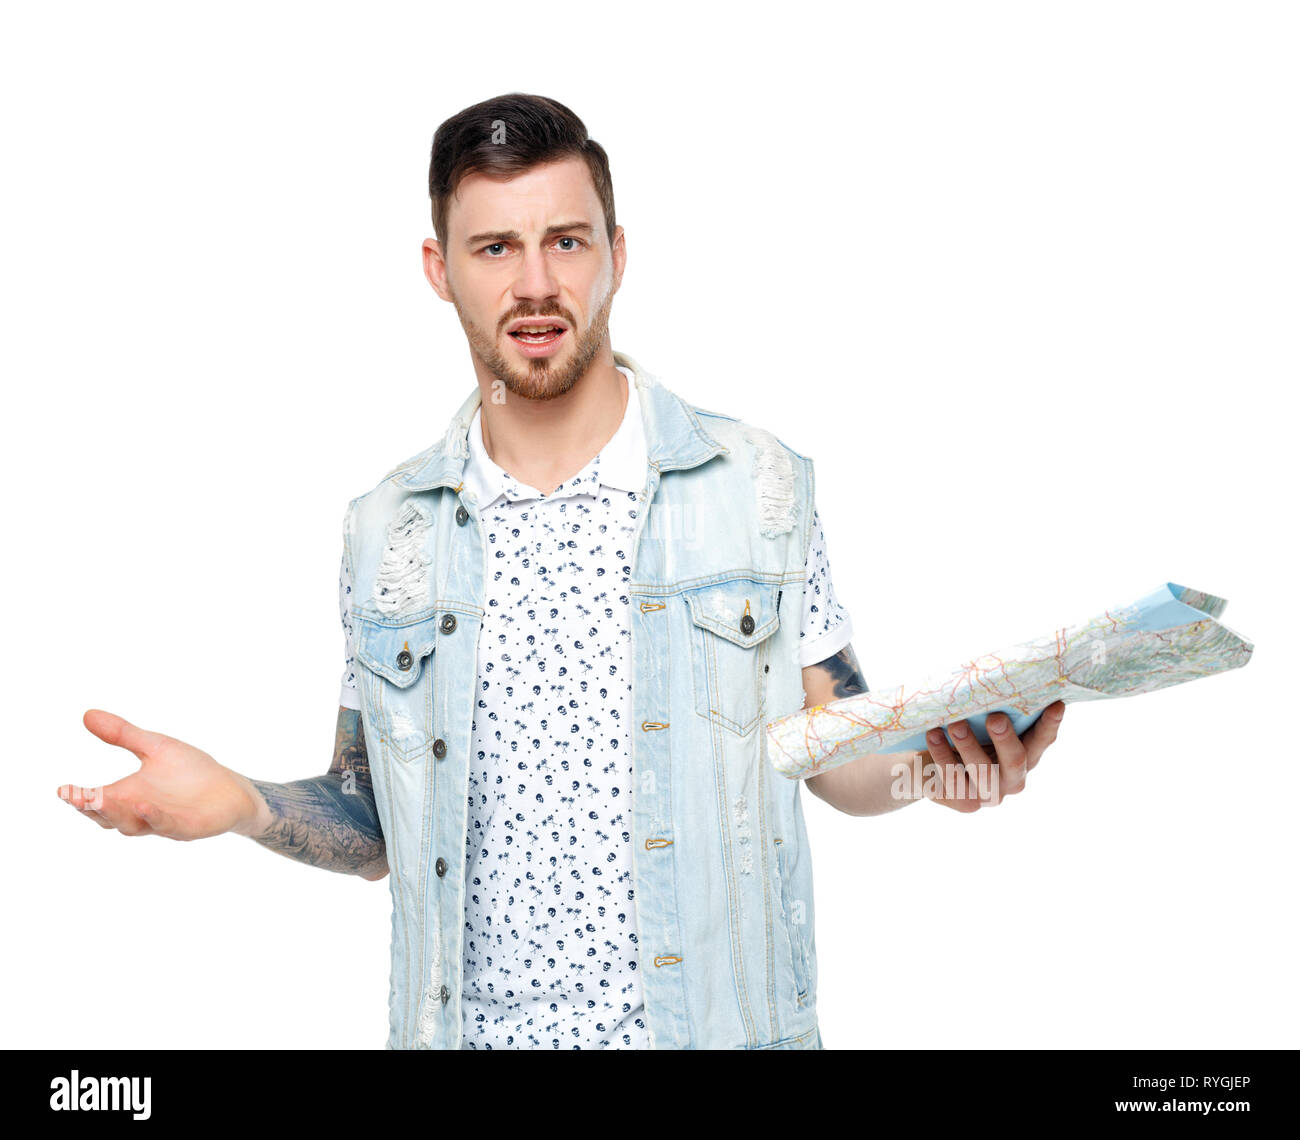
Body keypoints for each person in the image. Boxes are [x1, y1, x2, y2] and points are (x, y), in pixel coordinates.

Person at [63, 92, 1066, 1050]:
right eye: (494, 247)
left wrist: (934, 768)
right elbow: (372, 821)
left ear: (616, 256)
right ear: (438, 268)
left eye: (566, 241)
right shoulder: (386, 534)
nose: (535, 282)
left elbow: (836, 752)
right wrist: (240, 801)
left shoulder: (756, 488)